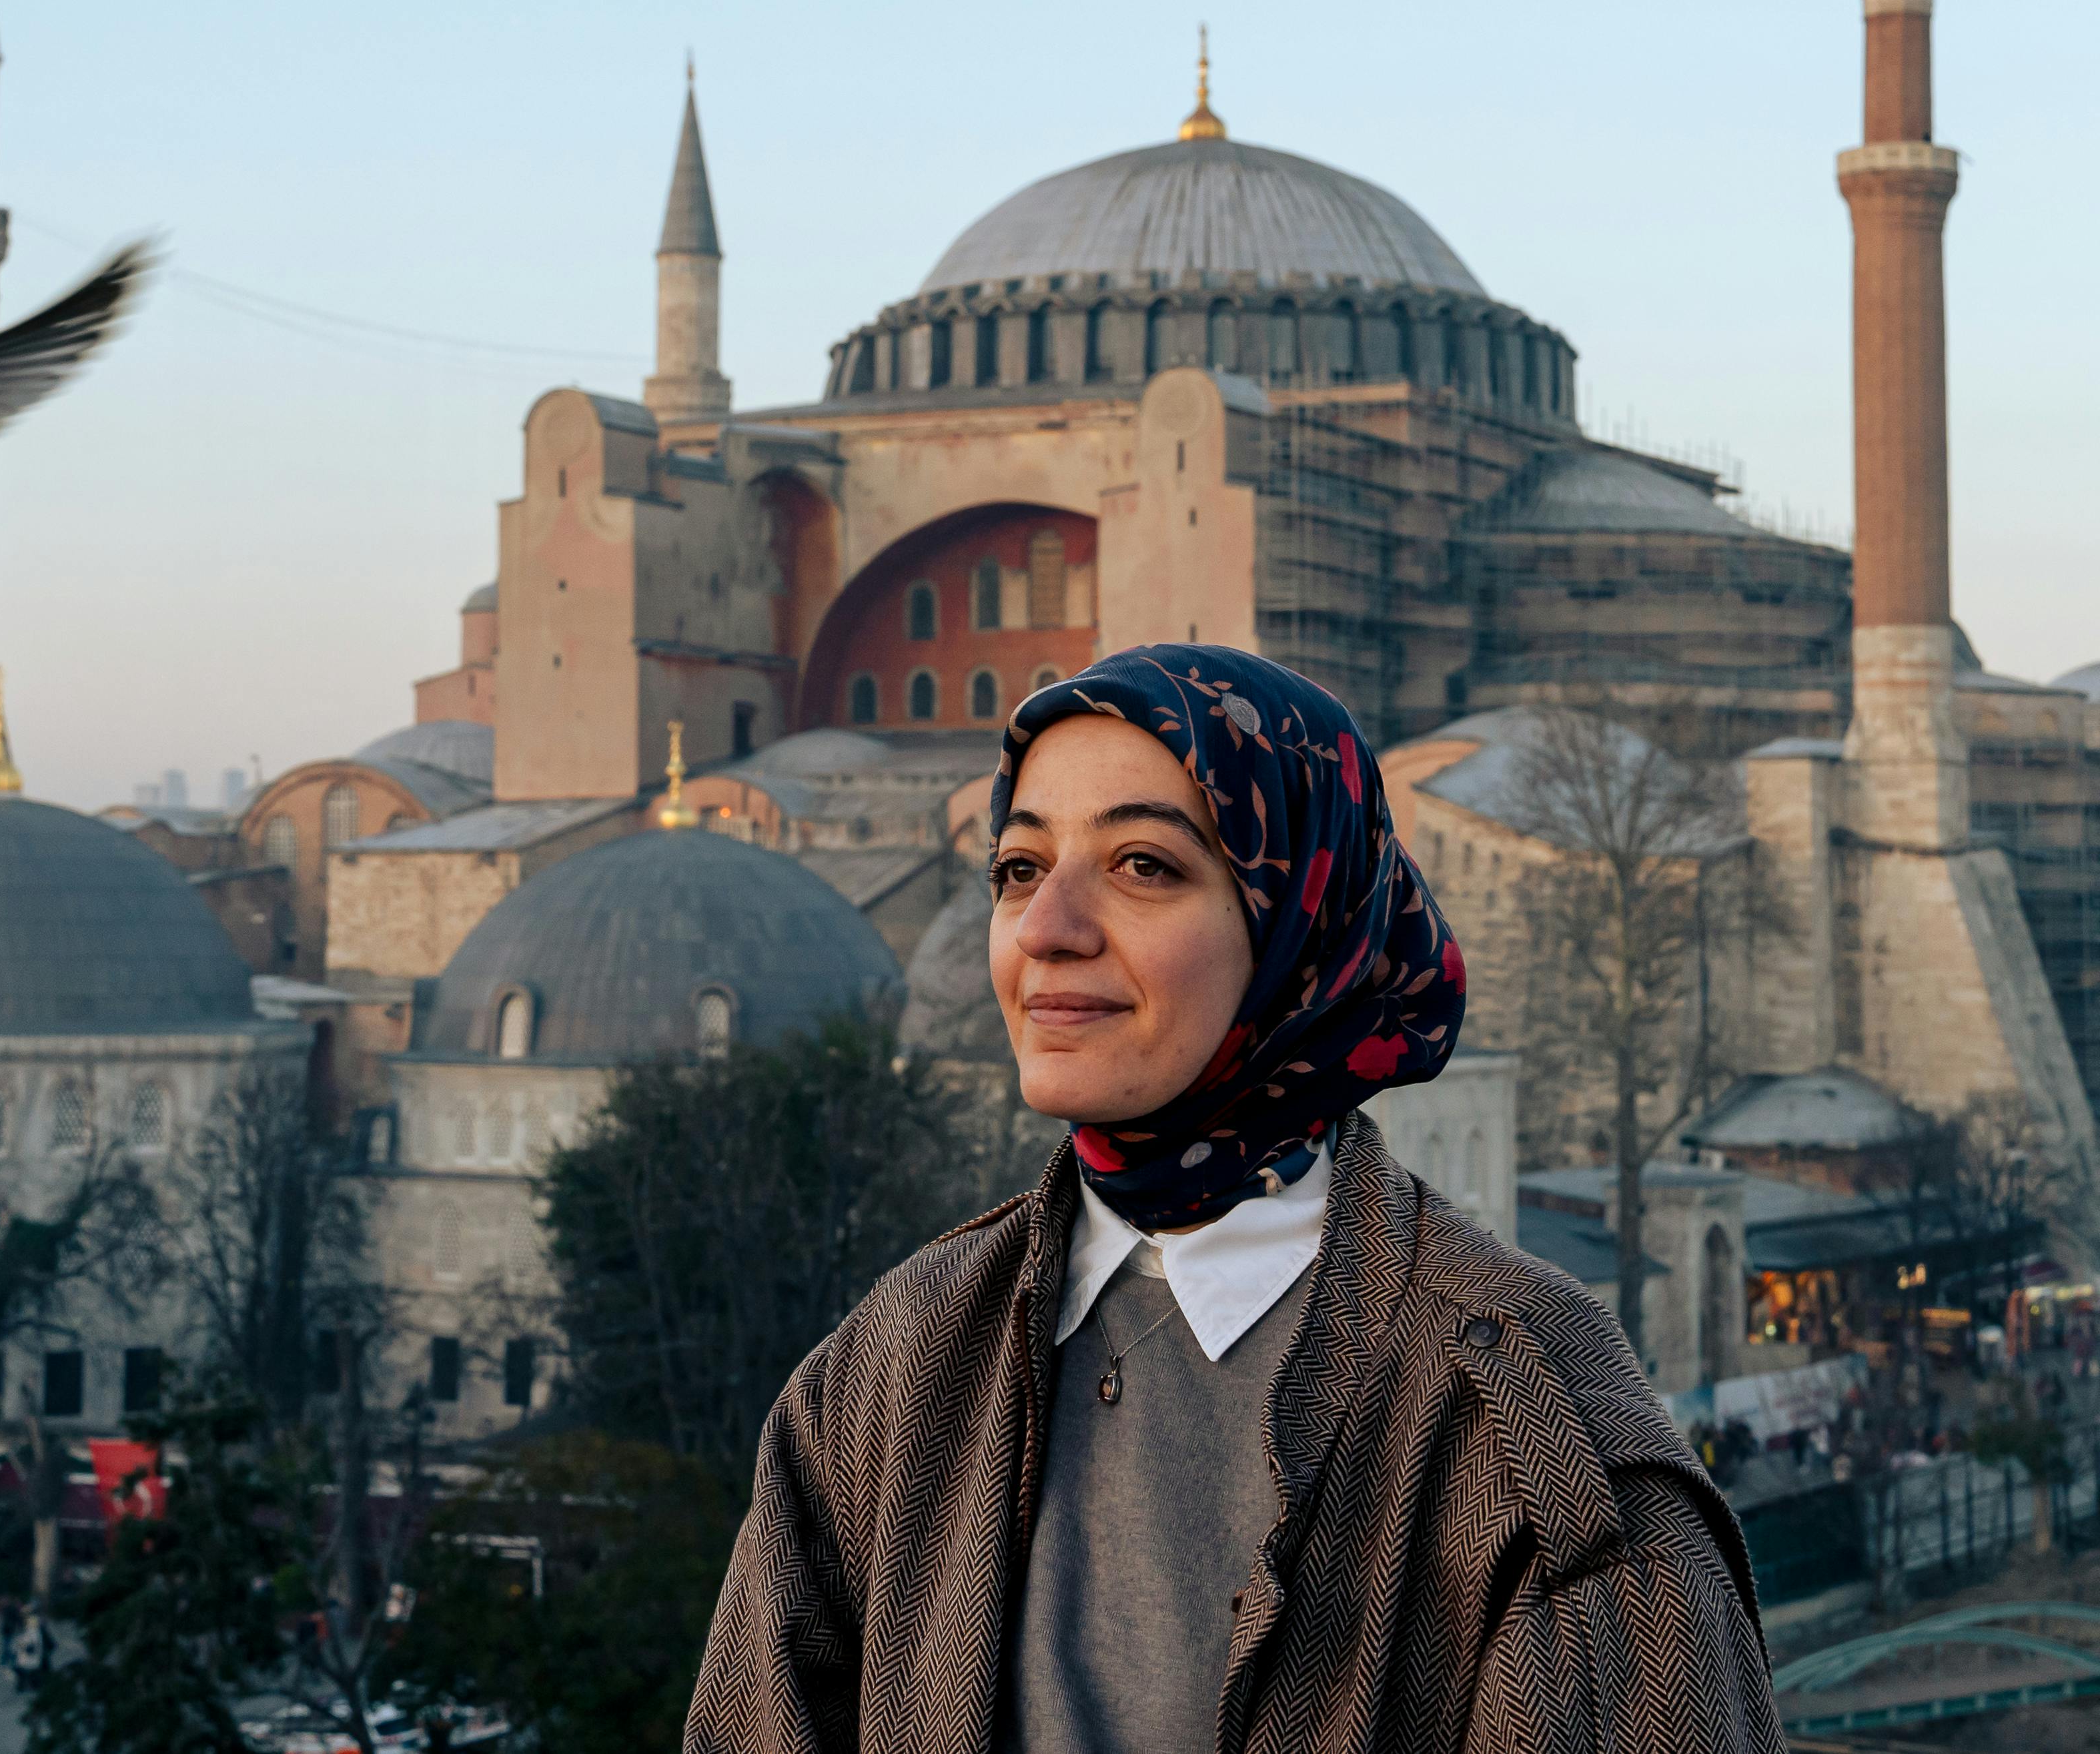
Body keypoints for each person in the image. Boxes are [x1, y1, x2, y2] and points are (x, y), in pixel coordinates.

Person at [688, 643, 1779, 1751]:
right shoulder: (891, 1373)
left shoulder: (1529, 1427)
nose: (1046, 928)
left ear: (1302, 927)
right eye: (1019, 868)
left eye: (1144, 866)